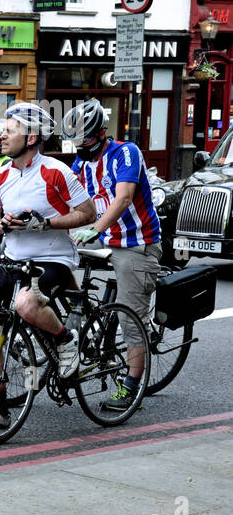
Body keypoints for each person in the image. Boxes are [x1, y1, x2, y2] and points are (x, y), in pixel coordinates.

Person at [0, 102, 96, 429]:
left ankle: (66, 340)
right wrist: (3, 225)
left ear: (32, 137)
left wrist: (47, 224)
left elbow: (87, 213)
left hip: (52, 258)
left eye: (10, 131)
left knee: (26, 304)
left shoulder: (56, 171)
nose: (2, 135)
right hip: (12, 259)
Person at [66, 99, 161, 411]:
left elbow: (123, 198)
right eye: (76, 141)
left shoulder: (125, 153)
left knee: (129, 317)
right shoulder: (80, 164)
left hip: (135, 243)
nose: (81, 146)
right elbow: (67, 201)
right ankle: (81, 327)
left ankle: (133, 385)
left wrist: (94, 228)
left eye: (86, 139)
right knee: (52, 272)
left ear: (101, 133)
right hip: (104, 238)